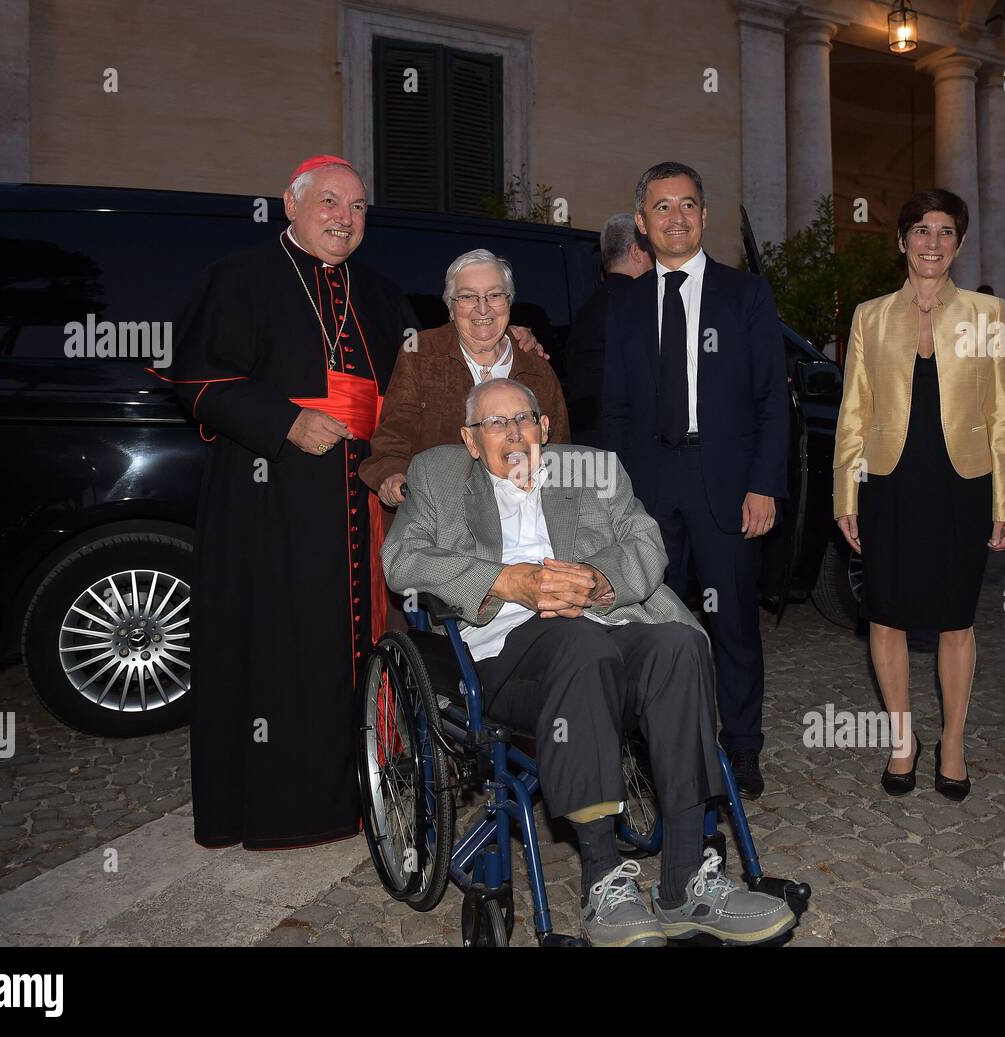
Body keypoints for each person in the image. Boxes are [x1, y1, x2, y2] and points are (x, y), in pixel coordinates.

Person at [382, 377, 797, 947]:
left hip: (607, 630)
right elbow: (402, 560)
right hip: (507, 657)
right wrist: (507, 581)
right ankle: (604, 884)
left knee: (678, 644)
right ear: (471, 441)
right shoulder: (440, 475)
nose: (514, 433)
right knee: (581, 644)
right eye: (495, 424)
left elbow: (646, 542)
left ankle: (685, 884)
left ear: (545, 428)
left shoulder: (592, 468)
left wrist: (600, 578)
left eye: (524, 419)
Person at [148, 155, 413, 849]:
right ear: (291, 205)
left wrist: (509, 342)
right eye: (330, 202)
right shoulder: (239, 279)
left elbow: (425, 382)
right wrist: (285, 420)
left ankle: (363, 790)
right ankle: (286, 807)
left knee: (357, 648)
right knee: (280, 650)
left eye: (357, 209)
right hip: (271, 507)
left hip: (363, 508)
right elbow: (197, 379)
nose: (344, 219)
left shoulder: (381, 294)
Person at [602, 161, 788, 798]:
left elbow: (772, 399)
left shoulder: (745, 296)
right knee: (656, 626)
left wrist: (765, 485)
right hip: (650, 491)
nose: (675, 217)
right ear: (642, 225)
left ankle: (741, 747)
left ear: (704, 218)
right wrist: (614, 500)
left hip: (729, 486)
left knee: (733, 622)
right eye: (661, 207)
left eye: (687, 205)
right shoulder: (625, 306)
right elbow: (616, 410)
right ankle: (663, 752)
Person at [832, 188, 1005, 803]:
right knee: (884, 615)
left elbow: (1000, 413)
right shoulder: (869, 316)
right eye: (920, 230)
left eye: (944, 231)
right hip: (889, 481)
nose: (931, 242)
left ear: (959, 244)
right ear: (901, 241)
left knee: (955, 620)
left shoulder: (989, 315)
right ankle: (902, 739)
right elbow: (853, 412)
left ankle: (955, 741)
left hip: (961, 484)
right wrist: (847, 493)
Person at [359, 249, 569, 510]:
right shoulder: (422, 354)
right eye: (468, 297)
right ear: (451, 306)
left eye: (494, 295)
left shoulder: (535, 367)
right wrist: (392, 475)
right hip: (442, 517)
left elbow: (560, 451)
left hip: (520, 517)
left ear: (509, 302)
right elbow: (395, 435)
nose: (483, 308)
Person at [566, 214, 654, 445]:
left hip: (586, 442)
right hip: (624, 440)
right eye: (653, 253)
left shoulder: (587, 308)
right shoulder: (640, 304)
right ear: (637, 252)